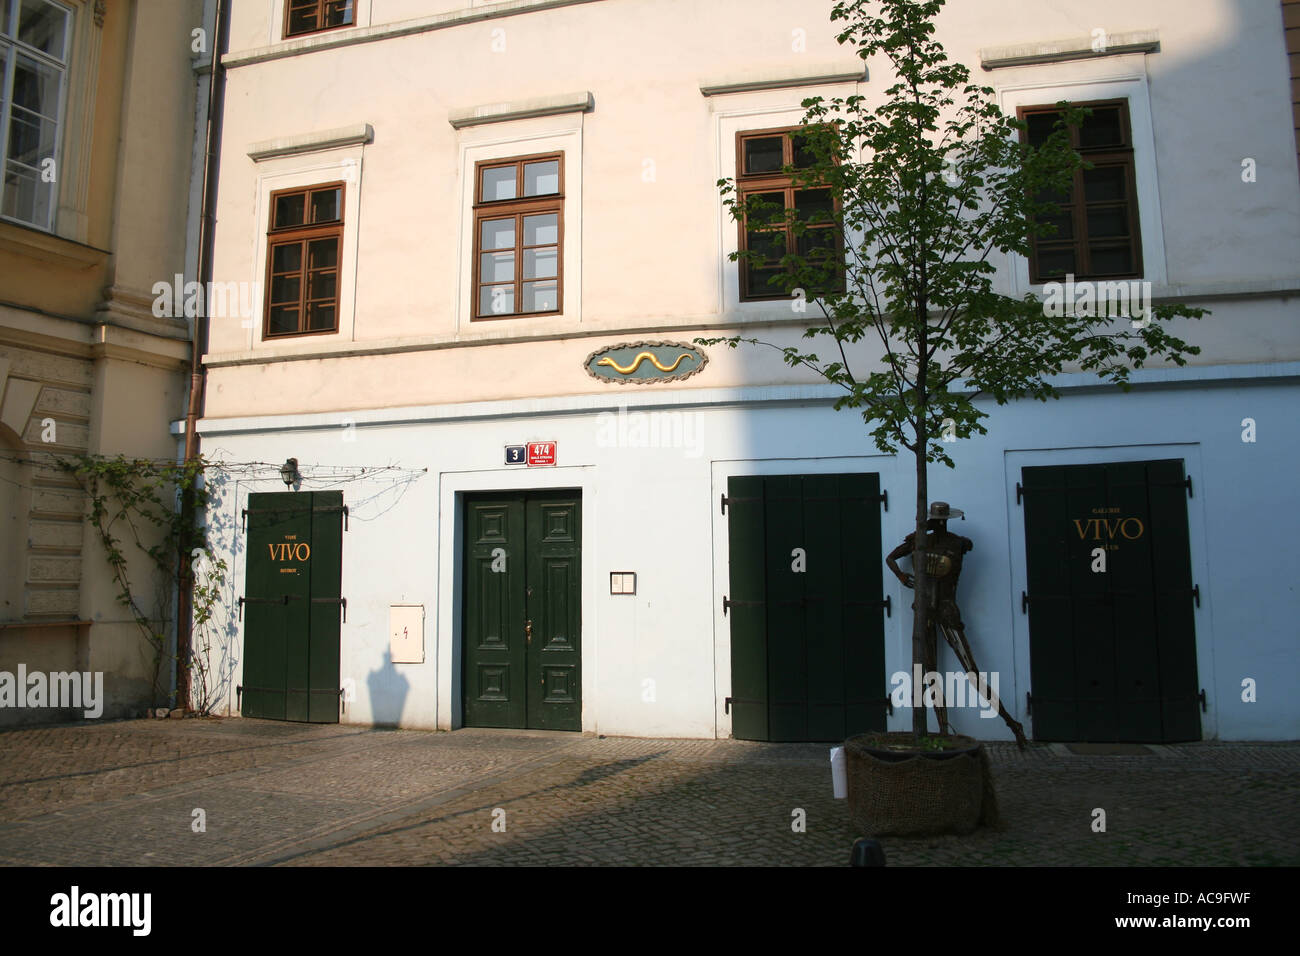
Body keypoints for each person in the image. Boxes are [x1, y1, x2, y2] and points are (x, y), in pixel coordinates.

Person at [886, 502, 1027, 749]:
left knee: (971, 669)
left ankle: (1011, 724)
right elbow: (890, 558)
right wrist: (901, 576)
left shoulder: (959, 543)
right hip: (923, 611)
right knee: (929, 670)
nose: (938, 525)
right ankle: (942, 729)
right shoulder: (919, 541)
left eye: (939, 521)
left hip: (947, 609)